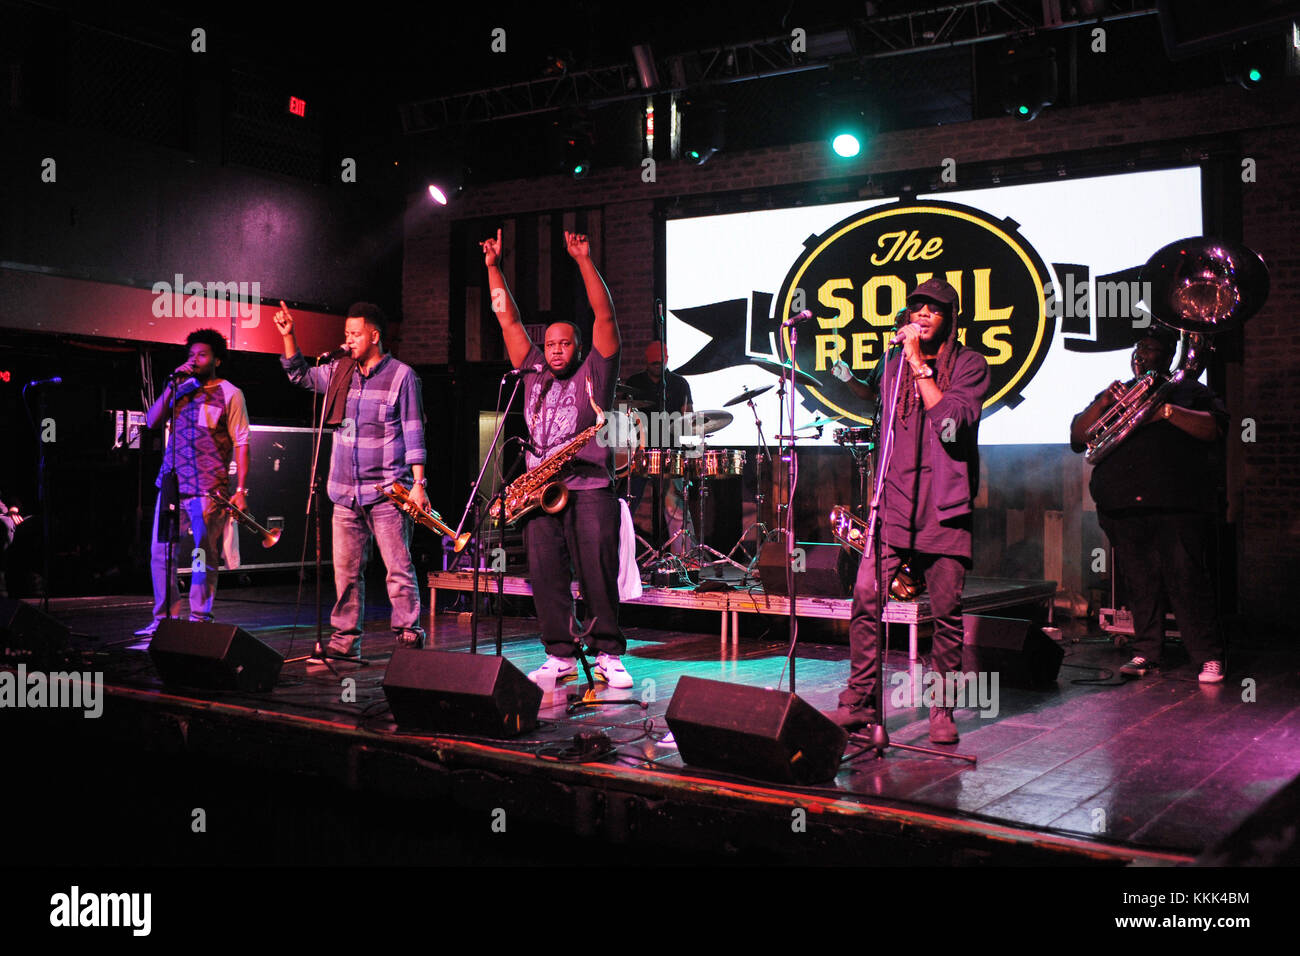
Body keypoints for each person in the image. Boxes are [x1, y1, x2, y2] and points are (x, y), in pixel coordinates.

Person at [827, 279, 989, 744]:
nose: (921, 314)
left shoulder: (970, 365)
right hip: (894, 503)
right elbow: (873, 403)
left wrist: (919, 362)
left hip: (944, 507)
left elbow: (951, 425)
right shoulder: (893, 365)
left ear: (949, 319)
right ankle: (859, 702)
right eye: (916, 306)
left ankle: (942, 709)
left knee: (946, 614)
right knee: (864, 598)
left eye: (933, 310)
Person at [481, 227, 631, 689]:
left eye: (565, 344)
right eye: (550, 344)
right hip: (539, 491)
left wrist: (584, 260)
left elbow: (604, 315)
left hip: (589, 488)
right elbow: (507, 321)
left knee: (597, 574)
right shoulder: (532, 373)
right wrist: (492, 268)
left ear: (579, 347)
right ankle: (560, 654)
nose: (556, 350)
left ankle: (608, 653)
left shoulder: (596, 371)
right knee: (545, 576)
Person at [1069, 331, 1227, 683]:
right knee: (1139, 584)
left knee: (1187, 581)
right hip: (1123, 505)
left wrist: (1166, 411)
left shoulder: (1190, 392)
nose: (1143, 356)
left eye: (1153, 350)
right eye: (1140, 349)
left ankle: (1207, 656)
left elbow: (1213, 429)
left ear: (1170, 355)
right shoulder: (1119, 393)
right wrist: (1102, 404)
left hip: (1177, 504)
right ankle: (1147, 652)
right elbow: (1079, 438)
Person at [275, 300, 428, 658]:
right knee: (345, 575)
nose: (349, 340)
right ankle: (344, 643)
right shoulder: (338, 371)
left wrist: (419, 484)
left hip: (389, 492)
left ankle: (409, 637)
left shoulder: (402, 376)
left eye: (355, 334)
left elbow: (415, 432)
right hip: (344, 493)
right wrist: (289, 335)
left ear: (374, 336)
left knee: (398, 572)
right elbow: (298, 375)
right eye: (346, 334)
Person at [135, 329, 250, 637]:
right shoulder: (181, 388)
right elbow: (152, 420)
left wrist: (240, 490)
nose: (194, 360)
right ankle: (163, 621)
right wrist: (172, 386)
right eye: (190, 355)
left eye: (202, 355)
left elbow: (242, 441)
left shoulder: (230, 393)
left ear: (217, 360)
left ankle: (200, 621)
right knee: (161, 552)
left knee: (202, 554)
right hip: (172, 482)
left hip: (209, 487)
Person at [623, 341, 693, 553]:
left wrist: (691, 444)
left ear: (667, 360)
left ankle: (684, 556)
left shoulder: (679, 383)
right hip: (640, 451)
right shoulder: (635, 382)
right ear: (646, 361)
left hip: (671, 451)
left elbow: (688, 416)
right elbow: (623, 415)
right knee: (627, 503)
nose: (657, 366)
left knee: (677, 506)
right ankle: (620, 552)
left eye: (660, 362)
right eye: (653, 363)